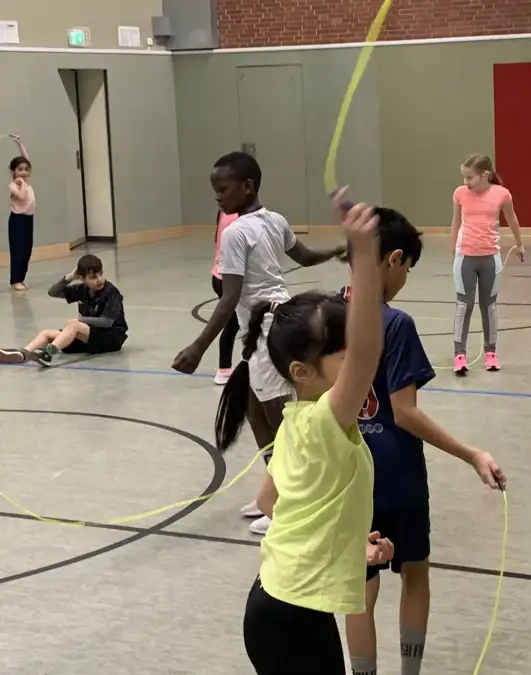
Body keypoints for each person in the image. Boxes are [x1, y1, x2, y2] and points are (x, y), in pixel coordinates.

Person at [230, 198, 395, 675]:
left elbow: (270, 502)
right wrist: (364, 257)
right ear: (302, 371)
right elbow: (368, 347)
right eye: (339, 353)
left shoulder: (295, 422)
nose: (356, 361)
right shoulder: (324, 421)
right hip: (288, 616)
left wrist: (345, 542)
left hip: (284, 602)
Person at [341, 207, 507, 675]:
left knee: (359, 583)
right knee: (414, 572)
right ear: (394, 259)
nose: (405, 279)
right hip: (396, 474)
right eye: (408, 269)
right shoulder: (394, 324)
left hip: (347, 476)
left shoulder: (324, 313)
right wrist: (472, 453)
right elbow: (405, 412)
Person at [172, 151, 345, 536]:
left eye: (223, 189)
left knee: (279, 418)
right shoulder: (275, 220)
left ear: (247, 186)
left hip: (268, 332)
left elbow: (229, 297)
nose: (217, 197)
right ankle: (276, 490)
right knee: (254, 411)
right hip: (271, 328)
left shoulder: (236, 232)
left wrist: (198, 347)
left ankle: (291, 501)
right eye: (214, 190)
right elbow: (302, 256)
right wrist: (334, 251)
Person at [449, 153, 525, 376]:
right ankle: (459, 354)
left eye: (470, 177)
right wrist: (453, 246)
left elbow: (512, 219)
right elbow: (456, 220)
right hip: (465, 258)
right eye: (464, 177)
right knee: (464, 304)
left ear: (485, 175)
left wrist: (520, 244)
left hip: (490, 258)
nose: (466, 182)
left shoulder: (502, 194)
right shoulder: (460, 194)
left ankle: (490, 352)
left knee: (489, 305)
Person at [0, 254, 127, 366]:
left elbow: (107, 322)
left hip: (111, 338)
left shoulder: (111, 292)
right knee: (47, 333)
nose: (99, 279)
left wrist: (80, 320)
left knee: (74, 325)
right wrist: (70, 277)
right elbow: (53, 292)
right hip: (91, 337)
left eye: (101, 274)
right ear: (82, 278)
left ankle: (48, 355)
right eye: (93, 277)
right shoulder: (82, 289)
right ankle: (23, 354)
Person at [213, 208, 242, 384]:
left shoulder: (224, 213)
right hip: (227, 279)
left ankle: (226, 368)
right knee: (233, 324)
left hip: (218, 276)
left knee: (235, 323)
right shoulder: (237, 218)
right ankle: (223, 370)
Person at [8, 135, 33, 291]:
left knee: (27, 249)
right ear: (14, 171)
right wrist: (21, 183)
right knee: (18, 250)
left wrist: (20, 143)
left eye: (25, 169)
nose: (23, 172)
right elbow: (22, 197)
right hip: (17, 220)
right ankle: (15, 280)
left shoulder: (24, 181)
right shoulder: (13, 185)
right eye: (20, 169)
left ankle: (21, 278)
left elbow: (26, 158)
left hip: (29, 219)